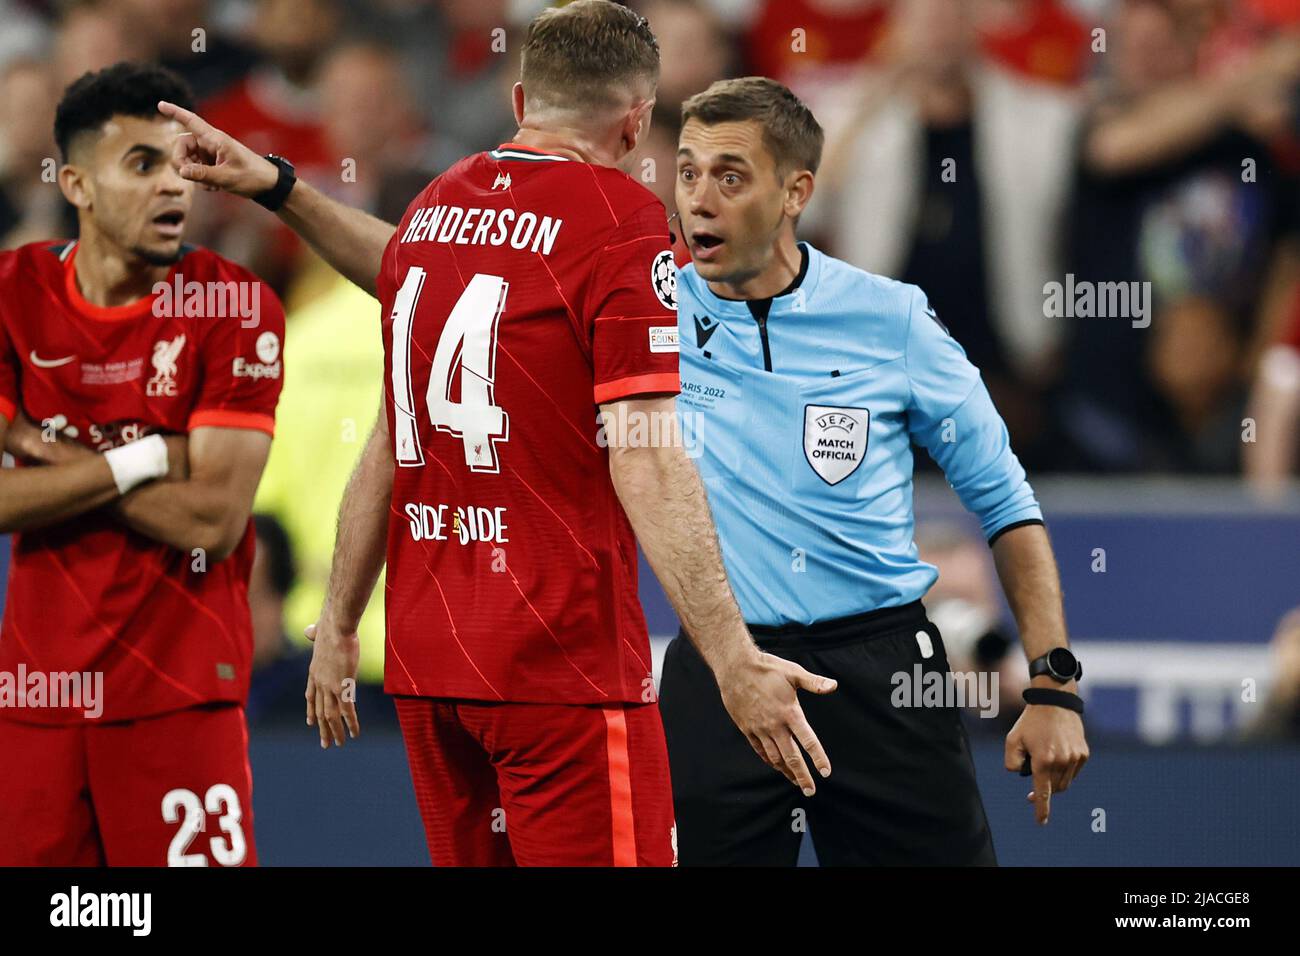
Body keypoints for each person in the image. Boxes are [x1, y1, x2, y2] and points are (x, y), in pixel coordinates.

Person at [159, 0, 835, 867]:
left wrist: (338, 622)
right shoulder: (622, 223)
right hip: (560, 667)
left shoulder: (441, 205)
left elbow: (388, 439)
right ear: (636, 123)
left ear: (521, 104)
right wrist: (734, 659)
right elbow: (648, 455)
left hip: (431, 663)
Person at [660, 77, 1088, 865]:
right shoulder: (645, 313)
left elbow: (1006, 503)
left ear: (797, 192)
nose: (699, 199)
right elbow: (438, 281)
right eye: (686, 172)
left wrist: (1053, 684)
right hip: (723, 667)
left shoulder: (888, 317)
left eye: (729, 174)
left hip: (884, 672)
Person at [0, 62, 285, 866]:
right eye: (142, 165)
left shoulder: (230, 305)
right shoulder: (11, 295)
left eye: (181, 165)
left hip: (180, 697)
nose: (175, 188)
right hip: (38, 701)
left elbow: (214, 520)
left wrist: (45, 451)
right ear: (77, 185)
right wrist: (152, 455)